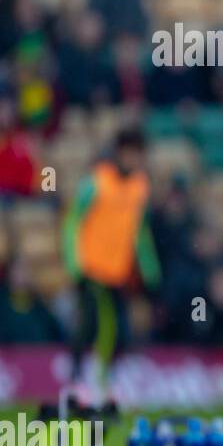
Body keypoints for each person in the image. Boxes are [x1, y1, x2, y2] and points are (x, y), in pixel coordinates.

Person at [62, 128, 160, 389]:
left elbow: (139, 231)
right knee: (91, 323)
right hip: (91, 267)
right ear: (119, 153)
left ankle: (103, 378)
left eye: (138, 155)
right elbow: (72, 222)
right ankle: (77, 377)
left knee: (119, 329)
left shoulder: (140, 186)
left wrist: (150, 270)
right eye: (130, 154)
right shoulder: (96, 182)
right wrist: (75, 265)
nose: (134, 160)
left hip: (118, 270)